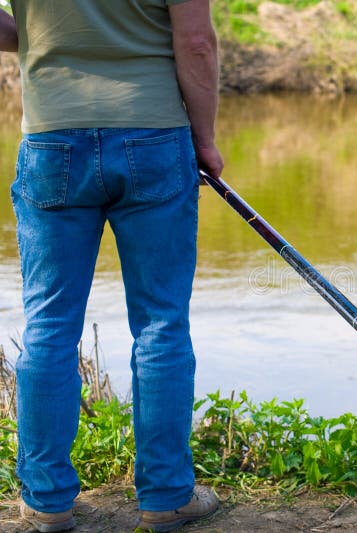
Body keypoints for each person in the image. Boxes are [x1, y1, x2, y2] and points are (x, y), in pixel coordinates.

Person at [1, 1, 223, 531]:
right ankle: (166, 497)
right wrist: (207, 142)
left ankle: (47, 501)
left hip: (53, 134)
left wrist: (36, 34)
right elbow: (196, 43)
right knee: (161, 323)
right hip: (153, 133)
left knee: (50, 327)